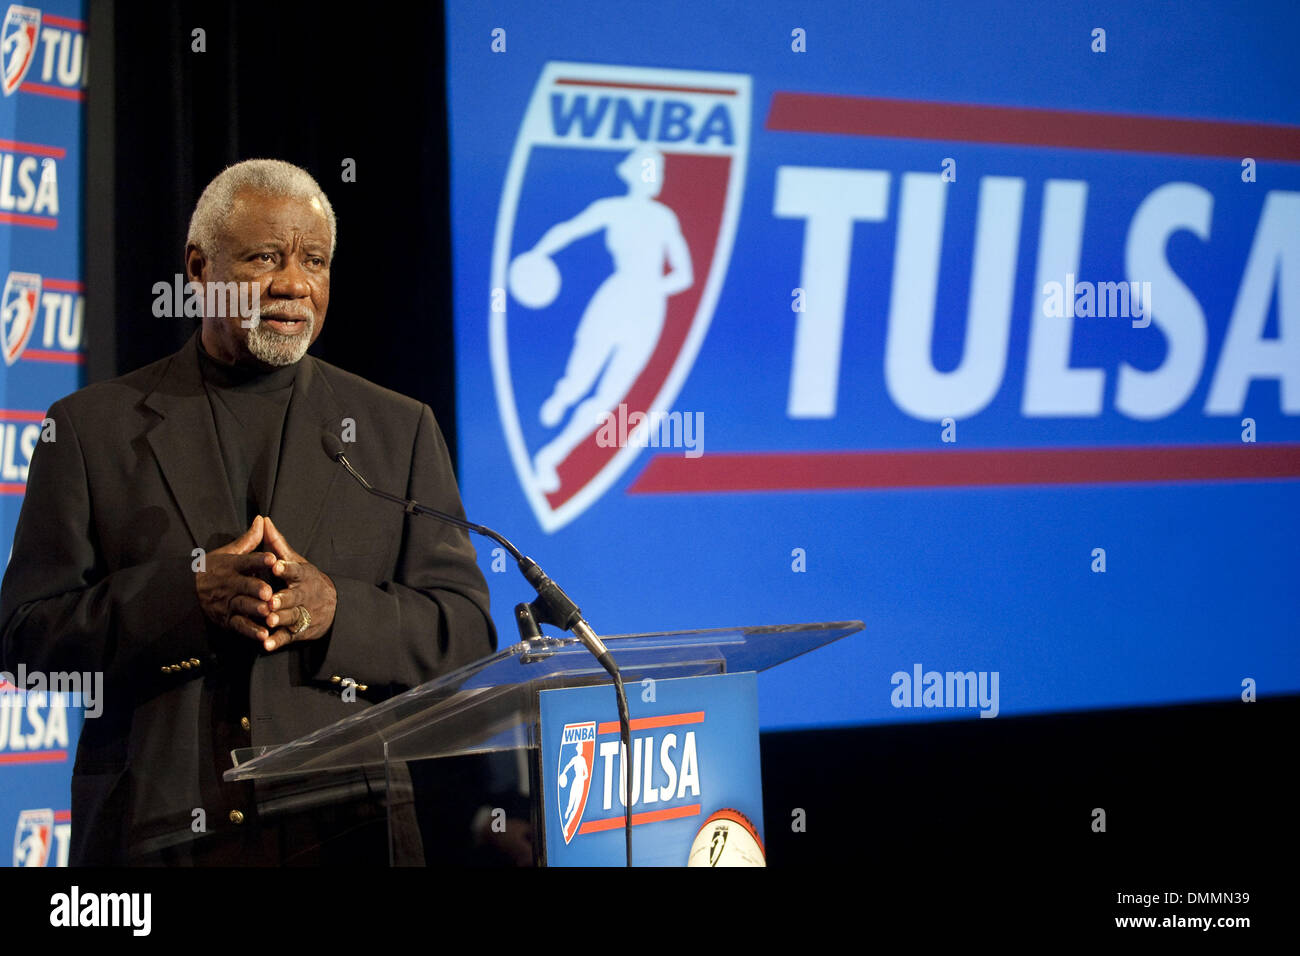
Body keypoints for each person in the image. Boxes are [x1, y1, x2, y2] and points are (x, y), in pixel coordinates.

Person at [0, 159, 496, 865]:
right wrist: (185, 596)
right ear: (198, 270)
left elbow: (466, 631)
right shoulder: (90, 430)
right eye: (266, 257)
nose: (294, 283)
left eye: (314, 260)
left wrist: (337, 614)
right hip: (154, 837)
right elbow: (27, 641)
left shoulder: (395, 429)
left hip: (348, 833)